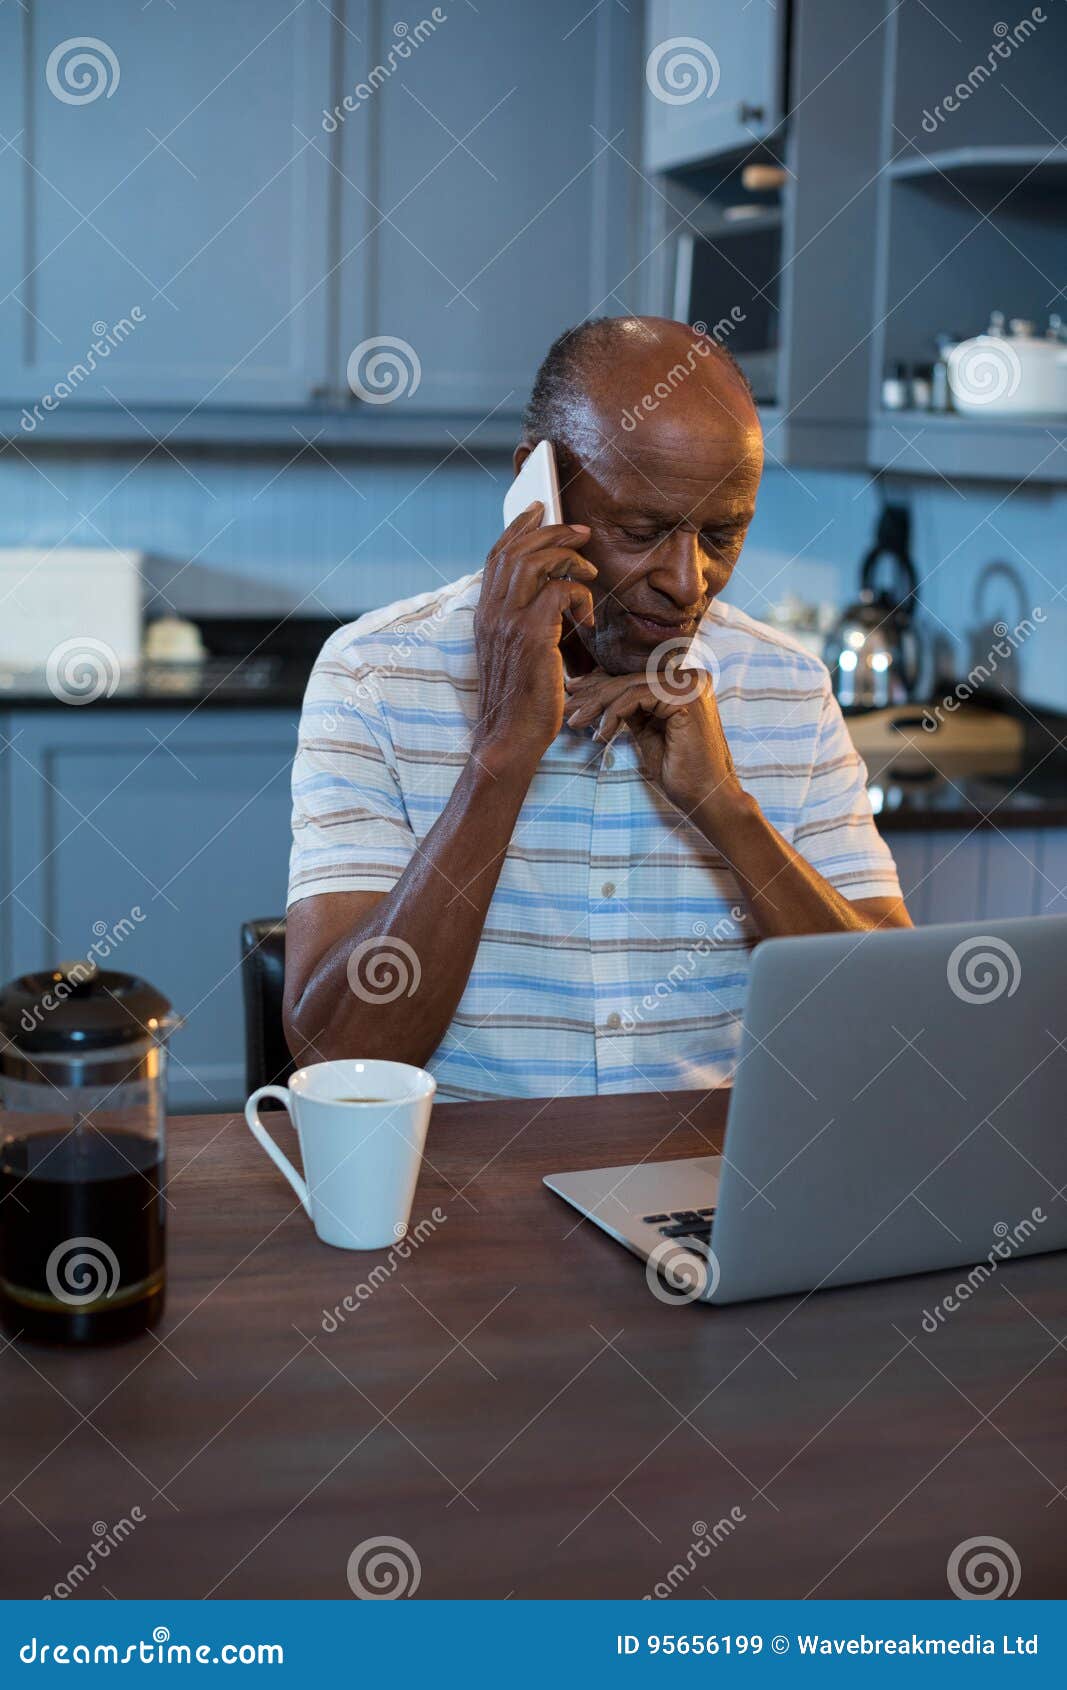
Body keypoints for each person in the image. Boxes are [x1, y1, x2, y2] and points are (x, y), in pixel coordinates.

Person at [283, 317, 908, 1102]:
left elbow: (893, 1029)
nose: (689, 581)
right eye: (641, 531)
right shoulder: (374, 673)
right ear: (536, 491)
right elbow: (336, 1056)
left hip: (712, 1190)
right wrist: (503, 753)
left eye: (724, 533)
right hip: (460, 1191)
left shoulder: (786, 686)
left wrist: (725, 809)